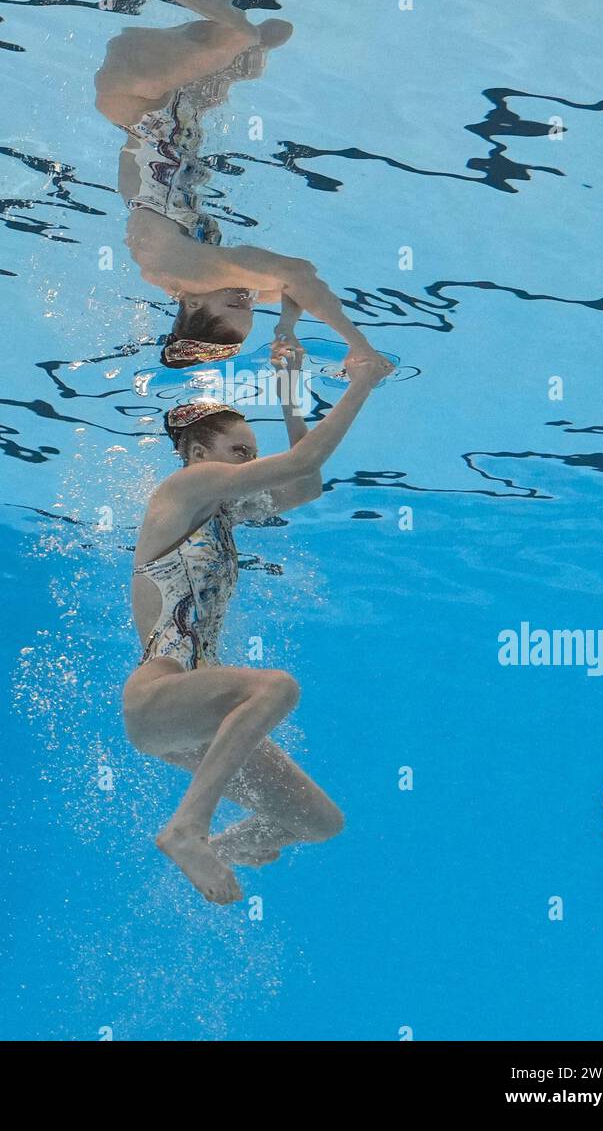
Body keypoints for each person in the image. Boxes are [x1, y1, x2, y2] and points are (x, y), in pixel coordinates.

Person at [94, 0, 386, 374]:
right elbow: (297, 277)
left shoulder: (177, 268)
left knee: (238, 36)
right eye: (246, 302)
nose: (242, 292)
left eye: (234, 300)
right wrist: (287, 325)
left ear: (192, 302)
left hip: (136, 98)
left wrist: (358, 346)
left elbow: (295, 275)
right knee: (268, 40)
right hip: (179, 105)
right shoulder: (205, 273)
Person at [124, 348, 392, 904]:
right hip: (158, 697)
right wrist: (361, 383)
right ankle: (186, 829)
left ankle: (214, 849)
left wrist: (291, 386)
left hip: (195, 715)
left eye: (252, 454)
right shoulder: (182, 492)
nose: (249, 463)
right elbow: (299, 465)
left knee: (317, 822)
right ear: (199, 454)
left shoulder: (221, 511)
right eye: (239, 453)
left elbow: (306, 480)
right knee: (277, 687)